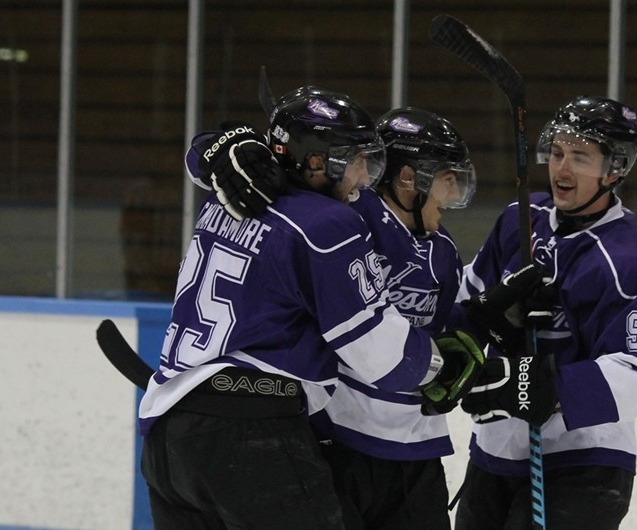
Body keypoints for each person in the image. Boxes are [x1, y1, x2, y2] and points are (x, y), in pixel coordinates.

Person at [137, 86, 489, 529]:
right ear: (318, 163)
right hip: (253, 433)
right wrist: (446, 365)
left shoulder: (228, 198)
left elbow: (206, 158)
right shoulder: (328, 223)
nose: (365, 178)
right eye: (357, 160)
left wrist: (221, 146)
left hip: (165, 431)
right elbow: (383, 356)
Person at [452, 96, 637, 529]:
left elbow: (633, 374)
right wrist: (490, 316)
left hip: (583, 461)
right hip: (496, 450)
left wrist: (545, 384)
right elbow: (466, 302)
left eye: (580, 157)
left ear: (615, 169)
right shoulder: (521, 220)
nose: (562, 169)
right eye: (556, 153)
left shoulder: (631, 257)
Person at [308, 107, 478, 529]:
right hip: (338, 440)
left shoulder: (443, 251)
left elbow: (438, 339)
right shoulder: (351, 217)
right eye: (447, 178)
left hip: (415, 449)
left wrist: (488, 317)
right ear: (408, 178)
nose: (454, 193)